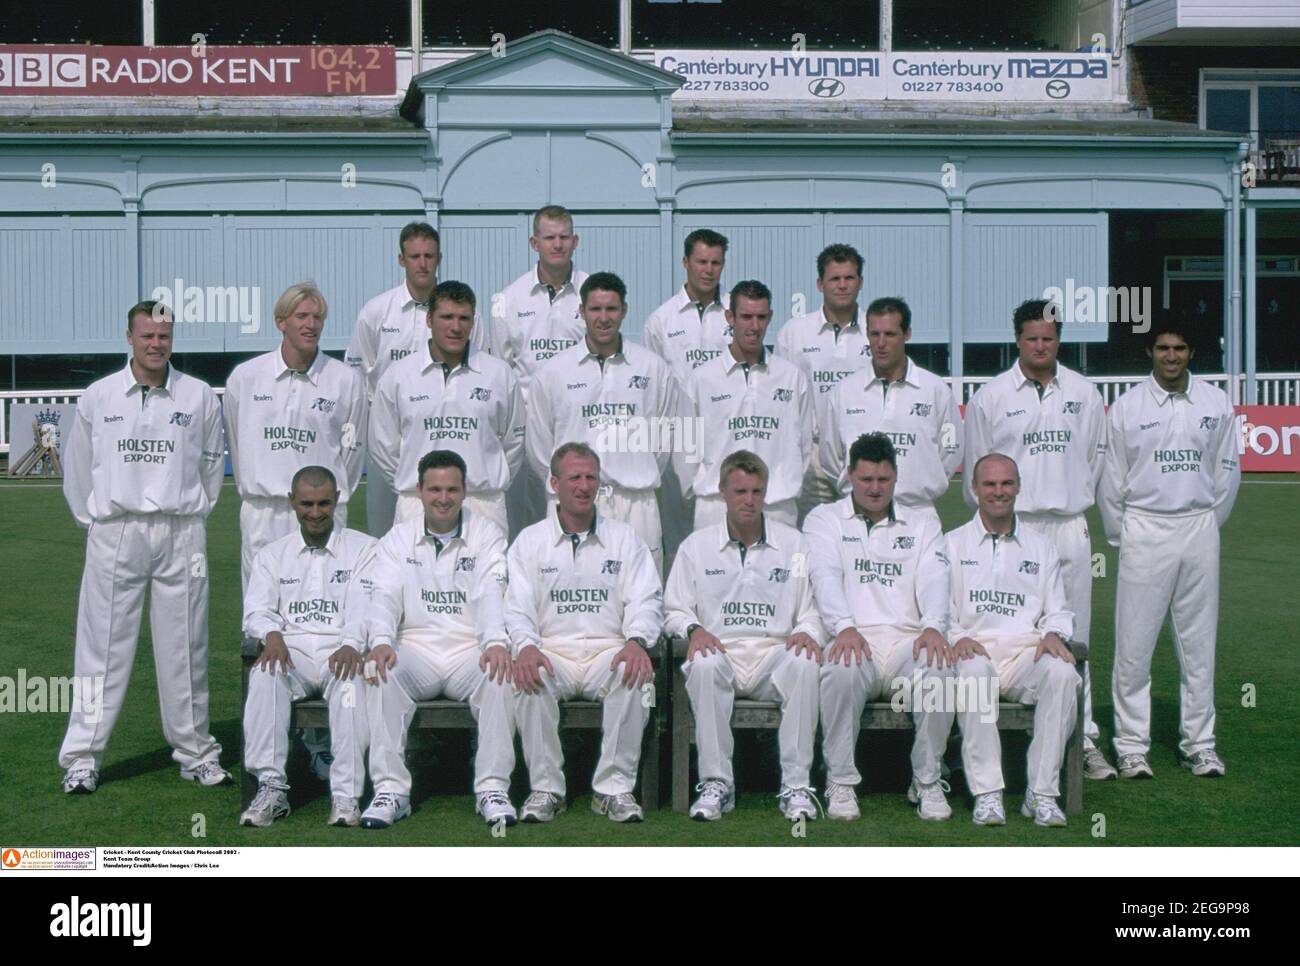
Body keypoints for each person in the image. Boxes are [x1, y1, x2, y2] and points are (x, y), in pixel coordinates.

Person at [59, 300, 229, 794]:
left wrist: (188, 514)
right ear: (129, 338)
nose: (156, 344)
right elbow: (78, 469)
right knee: (101, 648)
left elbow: (211, 468)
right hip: (116, 529)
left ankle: (196, 752)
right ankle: (83, 757)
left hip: (181, 529)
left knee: (187, 647)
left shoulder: (198, 396)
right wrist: (97, 523)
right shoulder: (98, 396)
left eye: (164, 335)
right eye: (147, 335)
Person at [962, 298, 1116, 781]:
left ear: (1058, 340)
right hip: (1014, 528)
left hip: (1069, 526)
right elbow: (976, 470)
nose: (1040, 345)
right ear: (1017, 340)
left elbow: (1094, 459)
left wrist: (1066, 497)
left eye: (1048, 338)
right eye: (1032, 338)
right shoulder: (991, 396)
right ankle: (983, 737)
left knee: (1073, 639)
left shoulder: (1084, 393)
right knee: (1004, 631)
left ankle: (1083, 739)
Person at [1099, 320, 1240, 779]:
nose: (1172, 356)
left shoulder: (1216, 404)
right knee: (1134, 646)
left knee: (1199, 646)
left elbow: (1226, 473)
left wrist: (1204, 524)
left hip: (1198, 527)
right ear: (1150, 353)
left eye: (1179, 348)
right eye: (1163, 348)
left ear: (1192, 351)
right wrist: (1126, 535)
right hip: (1145, 527)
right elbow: (1111, 480)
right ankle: (1131, 745)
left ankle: (1200, 744)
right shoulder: (1127, 407)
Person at [355, 449, 518, 828]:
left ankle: (493, 787)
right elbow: (384, 596)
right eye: (434, 490)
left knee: (500, 673)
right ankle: (391, 789)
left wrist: (495, 642)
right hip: (416, 648)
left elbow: (491, 591)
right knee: (378, 670)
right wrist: (381, 640)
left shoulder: (486, 534)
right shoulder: (397, 539)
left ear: (465, 492)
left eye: (452, 490)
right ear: (419, 491)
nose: (443, 499)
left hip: (468, 650)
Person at [506, 443, 663, 823]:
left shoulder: (625, 538)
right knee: (528, 676)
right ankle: (546, 789)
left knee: (637, 675)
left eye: (591, 477)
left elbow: (647, 600)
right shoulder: (530, 541)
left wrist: (636, 640)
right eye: (574, 477)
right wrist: (525, 646)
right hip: (552, 650)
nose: (584, 485)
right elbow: (516, 606)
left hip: (608, 650)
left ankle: (614, 790)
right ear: (555, 483)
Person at [664, 451, 823, 822]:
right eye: (740, 491)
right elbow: (674, 609)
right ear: (722, 492)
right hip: (721, 651)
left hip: (775, 652)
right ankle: (717, 783)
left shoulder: (795, 545)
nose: (748, 500)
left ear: (766, 493)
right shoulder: (696, 546)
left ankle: (796, 786)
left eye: (756, 491)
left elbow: (814, 608)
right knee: (701, 664)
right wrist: (694, 629)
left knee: (805, 663)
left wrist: (806, 632)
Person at [805, 433, 954, 821]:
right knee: (840, 669)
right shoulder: (824, 519)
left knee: (939, 668)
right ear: (850, 475)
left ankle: (927, 779)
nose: (874, 488)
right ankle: (839, 779)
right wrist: (844, 626)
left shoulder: (922, 523)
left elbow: (935, 577)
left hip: (907, 641)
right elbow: (824, 576)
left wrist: (934, 626)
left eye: (883, 480)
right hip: (855, 636)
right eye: (866, 479)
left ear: (896, 478)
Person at [947, 453, 1079, 828]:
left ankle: (1042, 793)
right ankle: (988, 794)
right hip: (973, 651)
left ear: (1018, 486)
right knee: (973, 674)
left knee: (1064, 675)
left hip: (1025, 653)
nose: (998, 492)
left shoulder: (1041, 547)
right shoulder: (951, 545)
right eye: (989, 484)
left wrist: (1054, 632)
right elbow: (939, 612)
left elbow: (1058, 608)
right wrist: (958, 637)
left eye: (1006, 484)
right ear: (973, 489)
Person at [239, 466, 376, 828]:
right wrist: (271, 635)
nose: (315, 513)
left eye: (323, 503)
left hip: (340, 648)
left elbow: (366, 606)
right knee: (265, 675)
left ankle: (345, 795)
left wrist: (351, 643)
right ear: (291, 503)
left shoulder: (364, 549)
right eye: (306, 504)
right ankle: (271, 788)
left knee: (350, 685)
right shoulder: (272, 554)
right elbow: (256, 609)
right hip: (292, 650)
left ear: (337, 501)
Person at [527, 272, 680, 572]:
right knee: (574, 597)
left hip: (635, 500)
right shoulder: (554, 372)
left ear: (624, 310)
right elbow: (540, 448)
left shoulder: (653, 369)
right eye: (595, 309)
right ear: (581, 311)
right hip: (574, 501)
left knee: (641, 598)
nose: (604, 318)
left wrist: (633, 472)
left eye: (611, 309)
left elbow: (663, 442)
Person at [224, 282, 366, 592]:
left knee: (323, 605)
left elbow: (351, 455)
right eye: (302, 316)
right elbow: (238, 444)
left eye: (317, 317)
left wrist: (332, 500)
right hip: (264, 511)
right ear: (281, 321)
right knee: (262, 609)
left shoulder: (346, 380)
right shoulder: (245, 378)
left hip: (321, 513)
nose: (311, 324)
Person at [348, 222, 485, 536]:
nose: (422, 264)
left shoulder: (464, 313)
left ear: (439, 258)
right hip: (392, 443)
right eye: (414, 256)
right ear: (401, 260)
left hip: (452, 434)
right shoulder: (376, 312)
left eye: (429, 255)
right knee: (386, 536)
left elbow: (478, 369)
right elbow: (357, 379)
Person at [369, 281, 523, 535]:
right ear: (429, 319)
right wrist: (418, 484)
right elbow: (383, 446)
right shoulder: (399, 375)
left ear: (473, 322)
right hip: (416, 504)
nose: (455, 327)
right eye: (447, 317)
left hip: (483, 502)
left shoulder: (498, 374)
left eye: (464, 318)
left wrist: (486, 477)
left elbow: (514, 444)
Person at [678, 280, 812, 529]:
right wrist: (704, 488)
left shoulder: (792, 377)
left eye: (761, 317)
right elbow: (687, 449)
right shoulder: (702, 378)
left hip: (777, 506)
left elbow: (803, 446)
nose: (754, 326)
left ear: (770, 317)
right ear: (730, 317)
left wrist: (784, 483)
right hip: (715, 507)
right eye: (746, 317)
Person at [492, 205, 589, 537]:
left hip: (579, 420)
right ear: (535, 243)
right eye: (550, 238)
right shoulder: (509, 298)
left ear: (575, 241)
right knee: (525, 521)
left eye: (564, 237)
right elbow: (503, 369)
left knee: (580, 513)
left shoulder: (592, 293)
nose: (557, 245)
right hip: (527, 424)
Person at [820, 297, 961, 525]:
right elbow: (830, 458)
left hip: (918, 514)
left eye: (890, 334)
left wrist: (917, 485)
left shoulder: (935, 390)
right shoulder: (844, 392)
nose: (881, 343)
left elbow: (951, 452)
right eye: (875, 334)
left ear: (907, 334)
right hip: (857, 516)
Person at [642, 228, 731, 560]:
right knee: (679, 534)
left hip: (725, 433)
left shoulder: (733, 317)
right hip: (679, 438)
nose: (708, 270)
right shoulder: (660, 321)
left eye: (715, 263)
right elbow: (654, 390)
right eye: (701, 262)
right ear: (685, 263)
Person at [774, 243, 873, 522]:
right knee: (812, 537)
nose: (842, 285)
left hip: (862, 452)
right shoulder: (794, 333)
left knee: (860, 535)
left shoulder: (875, 330)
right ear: (820, 284)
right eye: (834, 279)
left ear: (860, 282)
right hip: (812, 454)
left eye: (849, 278)